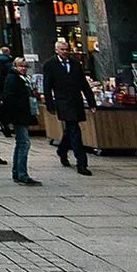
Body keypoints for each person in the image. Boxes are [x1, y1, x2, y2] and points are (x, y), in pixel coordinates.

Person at [44, 40, 93, 176]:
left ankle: (62, 149)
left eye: (66, 49)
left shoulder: (75, 63)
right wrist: (50, 104)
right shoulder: (50, 64)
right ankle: (81, 162)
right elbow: (47, 86)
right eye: (62, 49)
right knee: (75, 131)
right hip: (62, 102)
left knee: (70, 129)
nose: (65, 52)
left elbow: (83, 84)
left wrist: (91, 102)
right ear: (56, 50)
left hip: (76, 100)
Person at [0, 56, 41, 185]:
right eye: (21, 66)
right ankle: (22, 173)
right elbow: (10, 98)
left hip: (23, 113)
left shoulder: (22, 79)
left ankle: (17, 172)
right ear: (15, 66)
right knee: (24, 144)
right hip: (19, 115)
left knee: (21, 143)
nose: (23, 69)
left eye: (25, 66)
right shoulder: (13, 79)